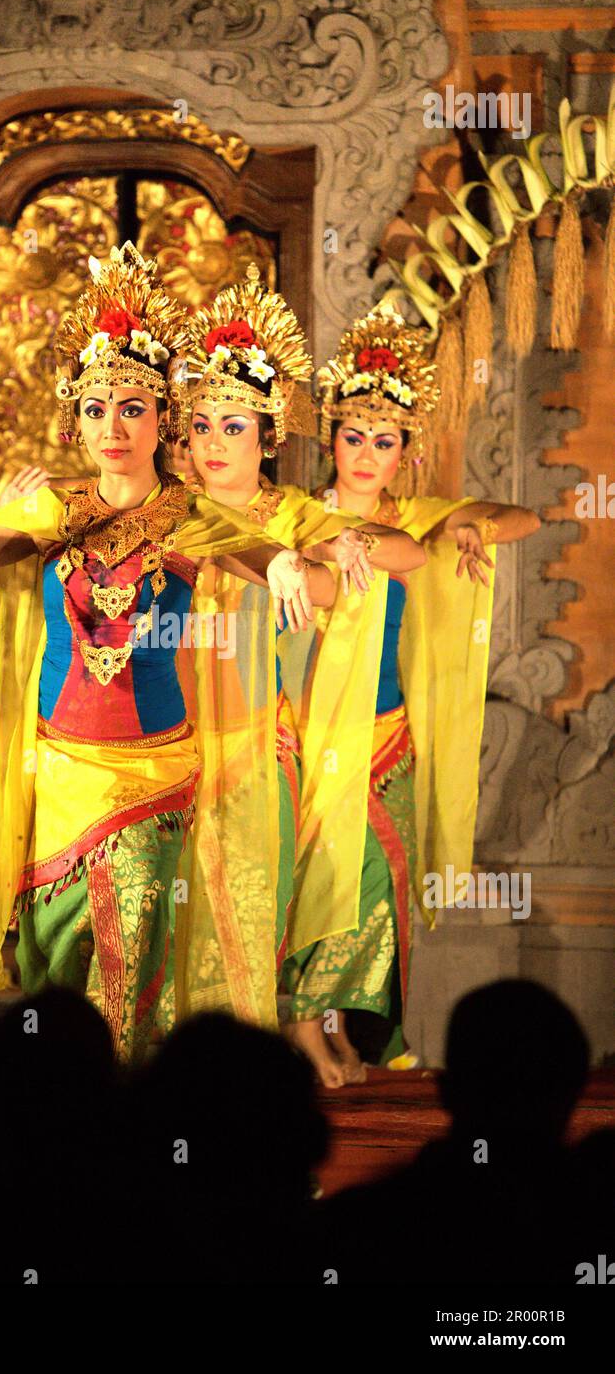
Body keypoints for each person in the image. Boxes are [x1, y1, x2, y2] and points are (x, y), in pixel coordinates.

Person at [0, 242, 328, 1062]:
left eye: (132, 408)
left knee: (128, 964)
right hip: (55, 773)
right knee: (53, 971)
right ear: (77, 421)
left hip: (152, 773)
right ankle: (67, 1105)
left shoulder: (189, 515)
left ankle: (123, 1112)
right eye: (96, 410)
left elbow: (256, 551)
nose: (112, 428)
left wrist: (282, 563)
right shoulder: (52, 510)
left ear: (163, 419)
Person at [164, 266, 426, 1065]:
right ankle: (177, 1071)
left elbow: (382, 561)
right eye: (201, 425)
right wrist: (272, 559)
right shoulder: (165, 508)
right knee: (177, 915)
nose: (214, 442)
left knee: (259, 903)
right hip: (167, 745)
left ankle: (247, 1068)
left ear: (268, 436)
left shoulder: (290, 511)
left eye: (232, 426)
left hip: (260, 740)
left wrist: (330, 547)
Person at [279, 306, 541, 1082]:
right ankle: (303, 1025)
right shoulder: (295, 518)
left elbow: (523, 519)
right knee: (317, 880)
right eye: (354, 437)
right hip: (309, 732)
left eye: (384, 442)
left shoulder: (416, 523)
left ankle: (339, 1027)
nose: (366, 455)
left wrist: (472, 523)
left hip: (388, 731)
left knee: (379, 887)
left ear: (405, 452)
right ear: (330, 439)